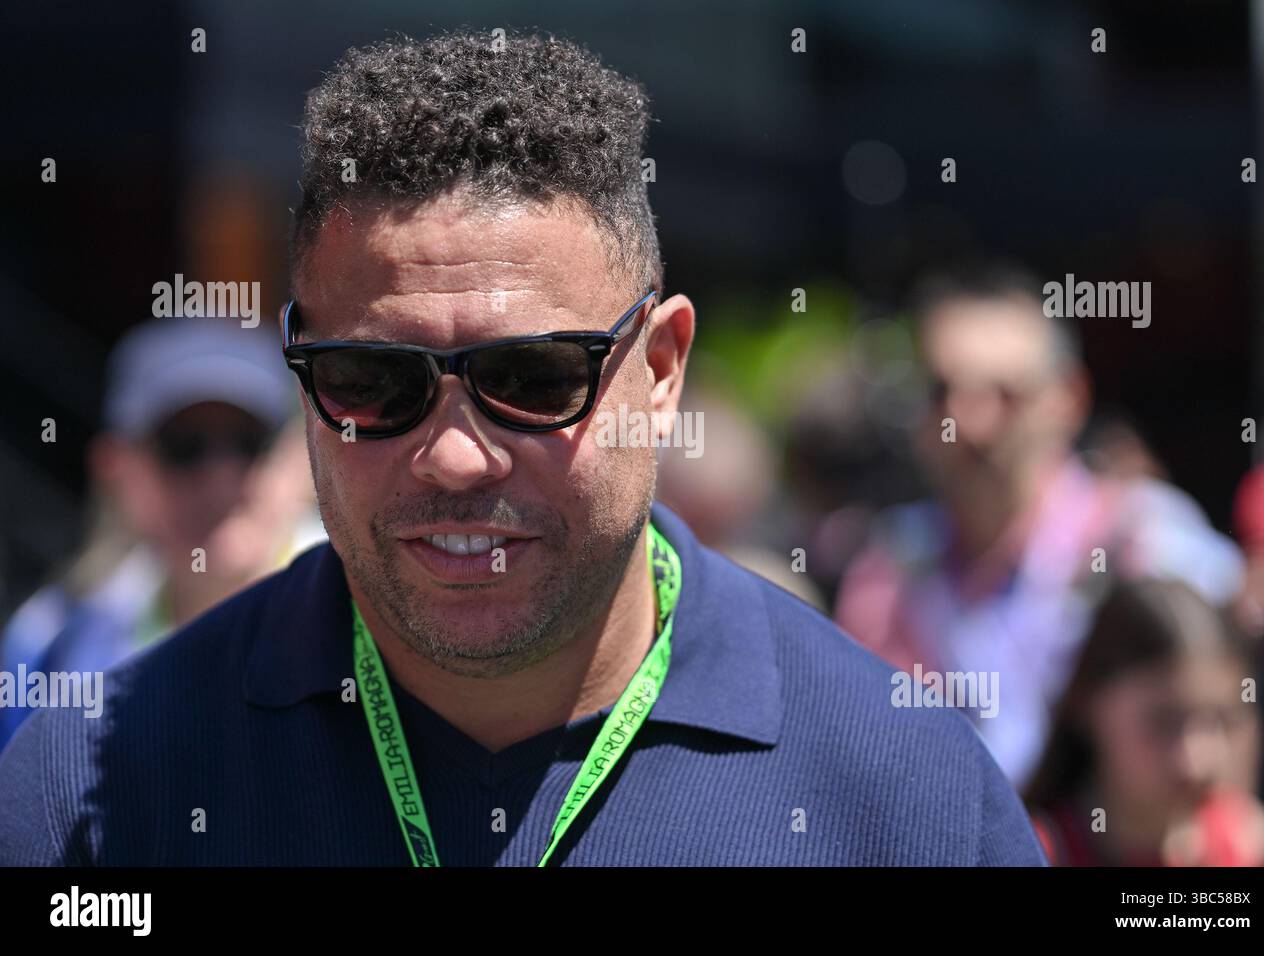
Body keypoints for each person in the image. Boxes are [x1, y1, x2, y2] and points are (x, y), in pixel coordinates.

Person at [0, 30, 1043, 866]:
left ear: (662, 369)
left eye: (534, 378)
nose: (455, 458)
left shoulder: (908, 800)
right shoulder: (92, 785)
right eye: (372, 382)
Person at [835, 263, 1244, 789]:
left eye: (1005, 394)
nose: (969, 422)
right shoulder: (886, 576)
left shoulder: (1147, 544)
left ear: (1069, 399)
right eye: (943, 392)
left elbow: (1230, 743)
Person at [0, 317, 323, 750]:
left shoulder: (376, 617)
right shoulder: (48, 646)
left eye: (250, 442)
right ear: (116, 468)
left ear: (302, 455)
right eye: (184, 446)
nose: (220, 479)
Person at [1025, 579, 1264, 866]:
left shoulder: (1240, 842)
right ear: (1087, 703)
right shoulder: (1029, 852)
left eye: (1223, 720)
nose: (1197, 761)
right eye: (1164, 722)